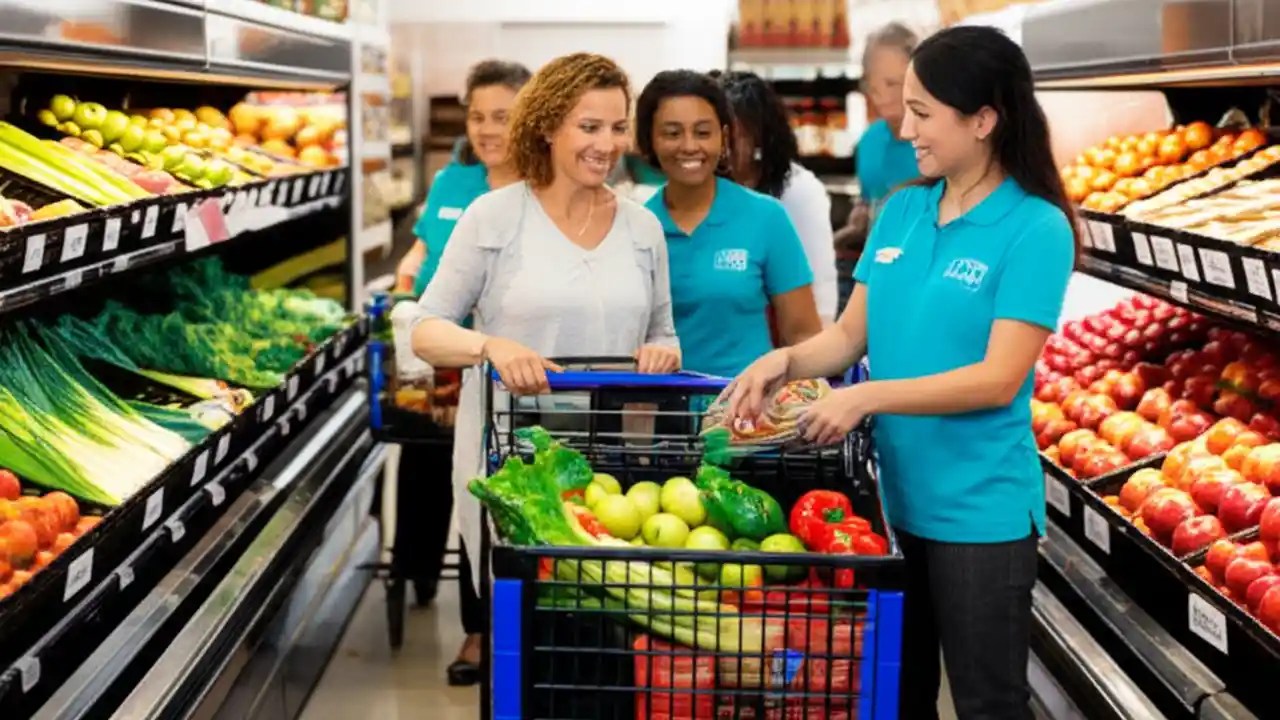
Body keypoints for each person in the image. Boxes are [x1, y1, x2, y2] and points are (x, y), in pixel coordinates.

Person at [725, 26, 1076, 720]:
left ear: (983, 120)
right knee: (895, 694)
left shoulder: (1035, 229)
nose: (904, 126)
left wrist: (868, 397)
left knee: (987, 703)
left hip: (980, 513)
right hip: (890, 506)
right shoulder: (904, 210)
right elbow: (850, 335)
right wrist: (784, 359)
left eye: (923, 112)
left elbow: (998, 379)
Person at [408, 52, 682, 684]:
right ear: (548, 127)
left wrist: (662, 353)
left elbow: (663, 331)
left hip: (610, 470)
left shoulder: (643, 228)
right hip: (512, 465)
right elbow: (426, 329)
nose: (607, 144)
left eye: (618, 128)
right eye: (590, 127)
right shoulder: (495, 218)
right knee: (526, 651)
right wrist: (491, 347)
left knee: (603, 650)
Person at [634, 70, 821, 378]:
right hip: (664, 416)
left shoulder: (766, 217)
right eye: (672, 133)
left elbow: (804, 335)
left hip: (746, 414)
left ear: (723, 138)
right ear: (649, 141)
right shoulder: (637, 226)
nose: (689, 145)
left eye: (703, 132)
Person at [713, 71, 839, 325]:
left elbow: (821, 296)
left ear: (759, 136)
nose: (720, 148)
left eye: (733, 137)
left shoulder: (798, 191)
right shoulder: (705, 188)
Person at [396, 60, 532, 294]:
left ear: (531, 121)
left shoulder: (547, 193)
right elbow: (424, 245)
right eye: (477, 118)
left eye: (502, 118)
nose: (486, 131)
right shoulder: (450, 179)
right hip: (426, 321)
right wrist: (409, 272)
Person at [854, 22, 921, 215]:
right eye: (872, 85)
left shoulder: (942, 140)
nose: (881, 96)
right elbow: (870, 201)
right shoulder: (869, 141)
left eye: (892, 84)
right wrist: (861, 212)